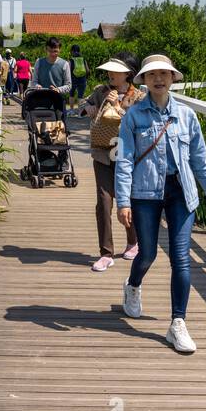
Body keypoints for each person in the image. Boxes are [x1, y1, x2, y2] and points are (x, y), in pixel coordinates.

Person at [114, 53, 206, 352]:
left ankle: (178, 323)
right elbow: (124, 160)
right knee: (147, 254)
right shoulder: (134, 116)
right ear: (144, 80)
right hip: (145, 192)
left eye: (164, 74)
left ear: (173, 78)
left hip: (180, 192)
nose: (159, 79)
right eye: (152, 75)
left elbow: (200, 159)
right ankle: (133, 286)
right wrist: (122, 201)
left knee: (181, 257)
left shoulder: (187, 116)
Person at [80, 53, 144, 271]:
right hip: (102, 154)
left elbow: (141, 122)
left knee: (127, 200)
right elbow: (84, 104)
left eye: (115, 71)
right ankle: (106, 253)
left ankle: (133, 241)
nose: (110, 74)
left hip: (128, 157)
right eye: (109, 70)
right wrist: (88, 108)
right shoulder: (100, 91)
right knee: (104, 202)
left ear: (128, 73)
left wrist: (118, 107)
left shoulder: (139, 97)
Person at [69, 43, 89, 109]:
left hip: (73, 80)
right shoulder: (83, 59)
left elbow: (68, 71)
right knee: (80, 96)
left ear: (72, 51)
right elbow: (88, 70)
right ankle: (80, 113)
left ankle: (71, 110)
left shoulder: (71, 60)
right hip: (82, 79)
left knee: (71, 94)